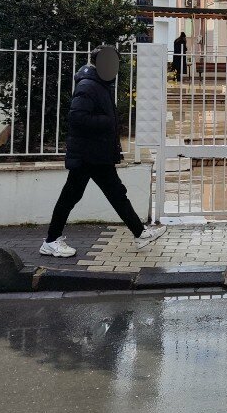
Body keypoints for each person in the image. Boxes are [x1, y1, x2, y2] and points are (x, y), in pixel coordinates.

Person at [40, 46, 166, 257]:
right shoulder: (88, 86)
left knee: (114, 193)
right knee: (75, 196)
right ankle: (51, 241)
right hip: (88, 154)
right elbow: (77, 118)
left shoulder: (99, 84)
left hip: (96, 152)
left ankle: (140, 233)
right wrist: (108, 121)